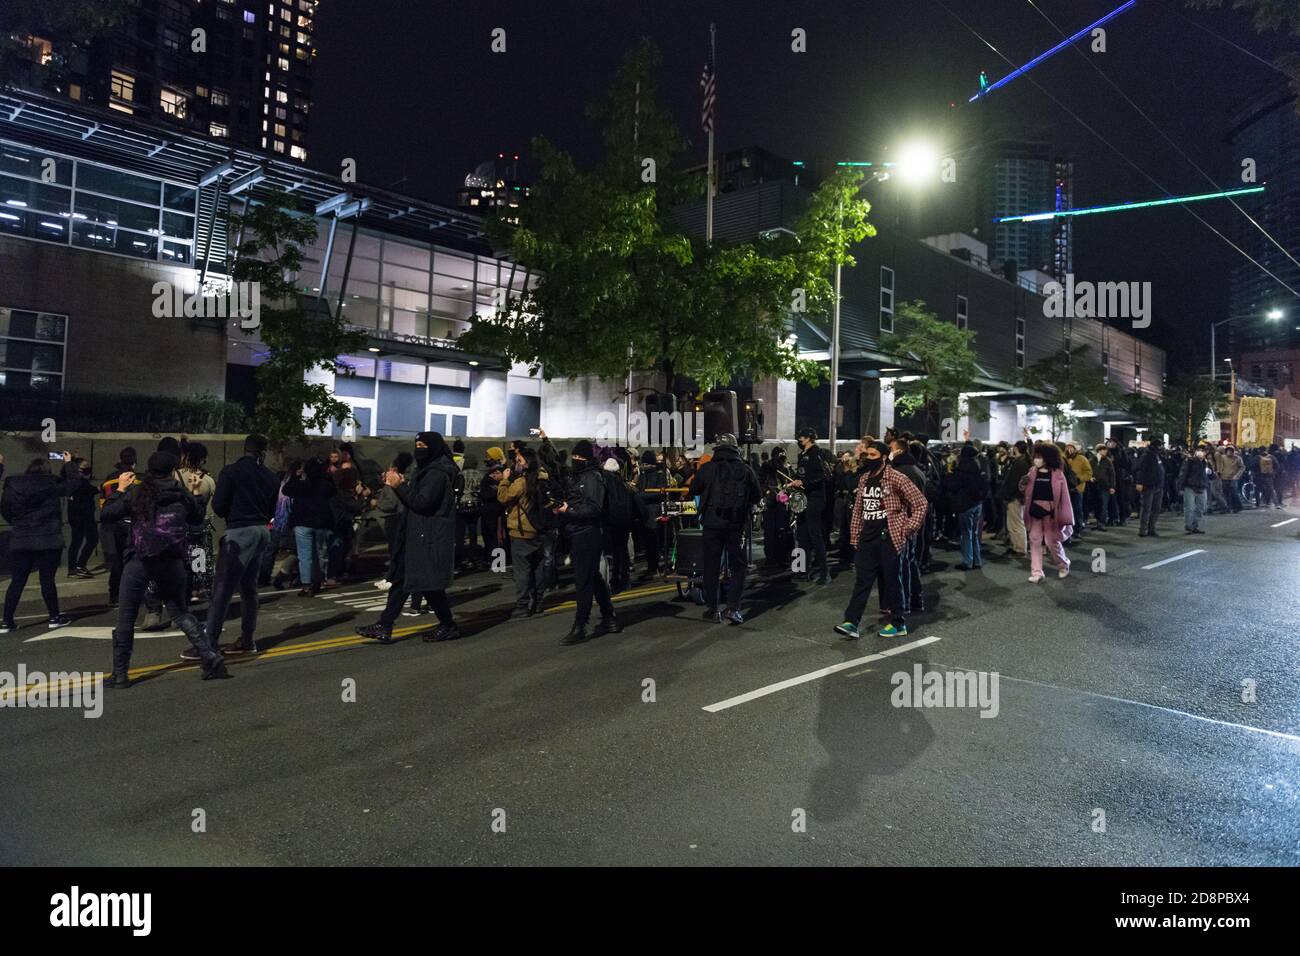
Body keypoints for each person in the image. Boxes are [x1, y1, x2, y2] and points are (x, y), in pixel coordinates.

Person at [101, 452, 228, 687]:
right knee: (179, 612)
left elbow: (107, 514)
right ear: (173, 471)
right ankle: (210, 657)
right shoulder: (181, 493)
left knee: (126, 618)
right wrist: (196, 492)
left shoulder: (138, 492)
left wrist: (119, 489)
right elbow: (198, 517)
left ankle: (120, 674)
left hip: (140, 559)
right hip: (172, 560)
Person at [356, 432, 461, 644]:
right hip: (419, 534)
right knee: (405, 578)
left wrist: (399, 486)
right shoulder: (428, 470)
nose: (418, 448)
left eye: (423, 445)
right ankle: (385, 625)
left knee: (426, 583)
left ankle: (447, 625)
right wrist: (404, 484)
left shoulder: (437, 473)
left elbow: (422, 503)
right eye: (417, 444)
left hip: (428, 536)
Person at [833, 441, 928, 640]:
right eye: (867, 454)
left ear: (884, 457)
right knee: (862, 581)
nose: (868, 458)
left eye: (873, 455)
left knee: (893, 581)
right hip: (867, 538)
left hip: (889, 537)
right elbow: (859, 509)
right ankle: (851, 622)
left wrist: (907, 529)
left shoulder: (896, 478)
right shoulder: (864, 479)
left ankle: (898, 622)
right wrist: (855, 535)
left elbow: (920, 503)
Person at [202, 434, 281, 657]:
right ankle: (247, 639)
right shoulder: (271, 477)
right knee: (249, 588)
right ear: (263, 452)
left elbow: (218, 506)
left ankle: (209, 643)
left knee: (223, 589)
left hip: (238, 532)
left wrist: (233, 515)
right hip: (261, 532)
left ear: (245, 449)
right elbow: (273, 511)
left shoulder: (231, 471)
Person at [1, 455, 86, 633]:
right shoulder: (52, 484)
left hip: (22, 537)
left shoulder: (13, 485)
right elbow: (75, 483)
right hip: (48, 538)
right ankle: (54, 617)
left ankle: (6, 621)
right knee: (47, 580)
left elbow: (6, 510)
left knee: (17, 581)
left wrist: (18, 524)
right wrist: (69, 463)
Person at [691, 433, 762, 625]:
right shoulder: (745, 469)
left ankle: (713, 610)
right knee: (738, 567)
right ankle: (733, 607)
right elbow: (757, 495)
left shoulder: (707, 469)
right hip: (735, 525)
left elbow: (694, 490)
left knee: (711, 567)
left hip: (711, 525)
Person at [556, 439, 619, 646]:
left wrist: (570, 510)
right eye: (573, 457)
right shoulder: (580, 476)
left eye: (578, 458)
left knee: (583, 581)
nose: (575, 460)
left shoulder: (591, 477)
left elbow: (594, 508)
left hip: (588, 533)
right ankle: (609, 617)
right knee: (592, 576)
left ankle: (580, 625)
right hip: (579, 532)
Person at [497, 446, 554, 617]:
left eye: (519, 461)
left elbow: (503, 497)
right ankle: (538, 602)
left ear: (527, 463)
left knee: (522, 571)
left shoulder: (522, 482)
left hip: (522, 531)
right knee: (538, 568)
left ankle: (522, 605)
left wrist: (505, 480)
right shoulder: (543, 477)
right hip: (539, 529)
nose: (516, 464)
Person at [283, 457, 336, 595]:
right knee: (319, 553)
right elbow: (333, 492)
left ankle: (307, 584)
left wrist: (296, 476)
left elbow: (286, 490)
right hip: (321, 522)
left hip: (303, 522)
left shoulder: (302, 484)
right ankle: (318, 580)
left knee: (305, 555)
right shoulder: (325, 484)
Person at [1022, 443, 1075, 582]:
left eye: (1039, 457)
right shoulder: (1032, 471)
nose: (1036, 459)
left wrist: (1066, 515)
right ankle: (1037, 572)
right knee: (1034, 540)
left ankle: (1063, 564)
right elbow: (1024, 490)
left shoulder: (1058, 474)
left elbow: (1065, 497)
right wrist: (1022, 483)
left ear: (1047, 458)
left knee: (1052, 541)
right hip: (1034, 510)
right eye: (1035, 457)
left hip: (1052, 513)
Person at [887, 437, 927, 614]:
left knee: (903, 565)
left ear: (899, 451)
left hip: (904, 524)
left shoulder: (901, 472)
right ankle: (915, 600)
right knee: (910, 562)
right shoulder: (916, 469)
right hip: (912, 524)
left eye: (891, 448)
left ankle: (905, 603)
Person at [792, 425, 833, 585]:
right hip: (804, 498)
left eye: (801, 437)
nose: (799, 440)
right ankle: (801, 570)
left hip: (814, 500)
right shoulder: (804, 454)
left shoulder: (816, 453)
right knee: (801, 536)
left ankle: (824, 573)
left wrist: (803, 482)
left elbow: (824, 475)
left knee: (815, 536)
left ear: (808, 438)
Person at [98, 446, 139, 606]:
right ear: (134, 460)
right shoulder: (138, 479)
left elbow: (104, 504)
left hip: (112, 525)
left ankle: (114, 595)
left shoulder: (108, 480)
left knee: (116, 563)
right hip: (131, 524)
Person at [946, 444, 988, 571]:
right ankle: (977, 560)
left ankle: (967, 561)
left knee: (966, 534)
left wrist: (949, 473)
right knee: (974, 533)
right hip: (977, 504)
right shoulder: (978, 467)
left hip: (965, 504)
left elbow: (952, 486)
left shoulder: (961, 470)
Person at [65, 456, 98, 577]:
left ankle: (76, 566)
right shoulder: (77, 482)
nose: (87, 469)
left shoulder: (77, 481)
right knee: (84, 540)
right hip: (81, 516)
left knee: (82, 541)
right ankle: (76, 567)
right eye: (84, 467)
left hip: (80, 515)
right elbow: (92, 490)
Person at [999, 441, 1030, 556]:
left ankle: (1021, 548)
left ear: (1016, 448)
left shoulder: (1019, 463)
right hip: (1018, 497)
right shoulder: (1023, 461)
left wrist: (1007, 495)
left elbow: (1014, 482)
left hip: (1015, 497)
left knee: (1016, 523)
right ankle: (1017, 546)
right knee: (1014, 523)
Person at [1134, 435, 1166, 537]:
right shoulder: (1147, 455)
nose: (1162, 448)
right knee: (1146, 508)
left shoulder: (1157, 456)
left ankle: (1152, 528)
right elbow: (1141, 470)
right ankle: (1143, 530)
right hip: (1148, 486)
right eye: (1160, 446)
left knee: (1156, 509)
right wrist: (1139, 482)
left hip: (1158, 486)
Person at [1091, 444, 1116, 532]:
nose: (1105, 451)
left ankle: (1102, 523)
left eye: (1105, 450)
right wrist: (1091, 478)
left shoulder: (1107, 461)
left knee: (1104, 505)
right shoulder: (1092, 460)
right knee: (1096, 505)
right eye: (1103, 450)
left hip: (1105, 486)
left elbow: (1112, 475)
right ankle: (1098, 522)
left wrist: (1112, 486)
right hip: (1094, 486)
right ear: (1099, 450)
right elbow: (1089, 470)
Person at [1216, 444, 1245, 513]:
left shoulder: (1237, 458)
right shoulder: (1222, 457)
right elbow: (1219, 464)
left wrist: (1237, 475)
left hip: (1233, 478)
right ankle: (1227, 508)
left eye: (1231, 450)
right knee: (1225, 493)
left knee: (1234, 493)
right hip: (1224, 477)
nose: (1229, 452)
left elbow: (1242, 467)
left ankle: (1237, 507)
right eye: (1228, 450)